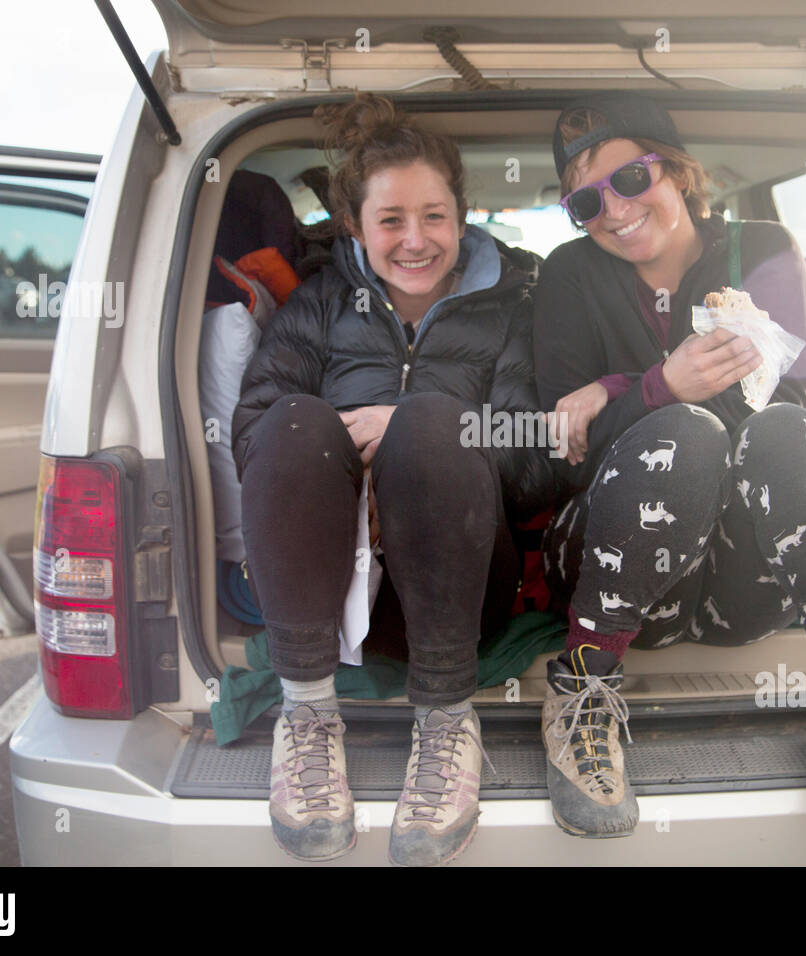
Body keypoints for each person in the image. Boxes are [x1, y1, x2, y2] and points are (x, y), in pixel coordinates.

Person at [532, 92, 806, 837]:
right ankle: (583, 687)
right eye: (585, 200)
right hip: (625, 585)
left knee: (789, 434)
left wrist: (626, 392)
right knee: (688, 432)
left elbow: (785, 399)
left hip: (749, 588)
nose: (613, 209)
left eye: (630, 180)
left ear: (674, 170)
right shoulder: (569, 275)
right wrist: (658, 390)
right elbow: (566, 453)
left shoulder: (761, 248)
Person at [232, 93, 557, 865]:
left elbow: (539, 458)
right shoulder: (318, 306)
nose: (416, 241)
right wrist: (345, 442)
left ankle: (447, 722)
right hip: (326, 600)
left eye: (435, 216)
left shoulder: (515, 310)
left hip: (460, 594)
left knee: (439, 421)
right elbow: (253, 434)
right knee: (293, 423)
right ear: (355, 226)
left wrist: (414, 425)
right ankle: (307, 717)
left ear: (463, 214)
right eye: (391, 220)